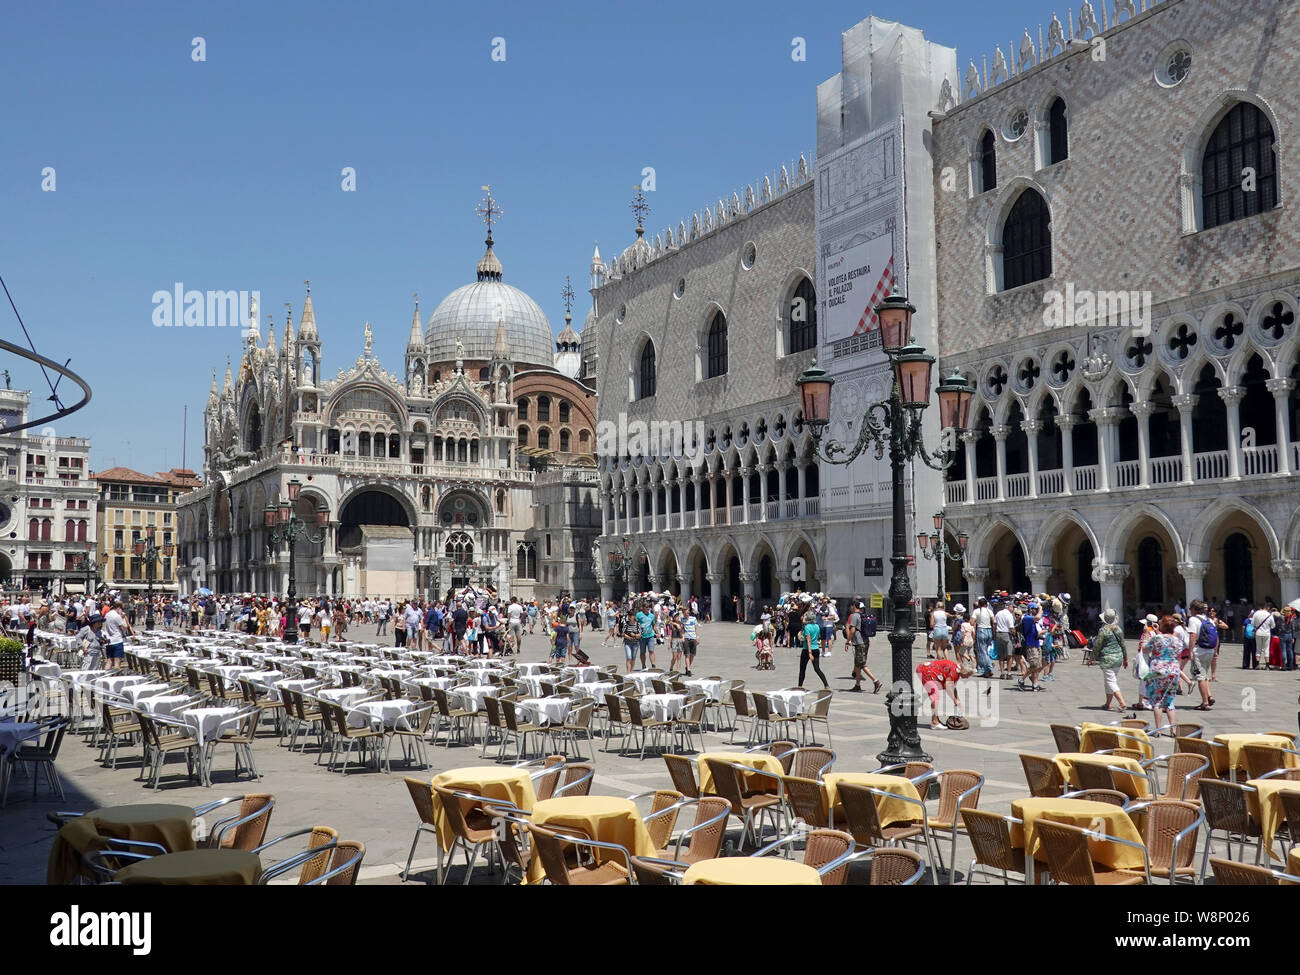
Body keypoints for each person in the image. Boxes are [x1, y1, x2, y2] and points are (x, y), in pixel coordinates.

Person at [1143, 615, 1192, 735]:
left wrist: (1146, 635)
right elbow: (1176, 650)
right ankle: (1173, 729)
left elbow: (1145, 649)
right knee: (1170, 701)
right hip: (1173, 670)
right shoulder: (1177, 640)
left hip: (1158, 669)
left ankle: (1158, 729)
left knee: (1157, 700)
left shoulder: (1157, 638)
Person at [1089, 608, 1129, 711]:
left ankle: (1122, 702)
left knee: (1110, 681)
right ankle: (1108, 703)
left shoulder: (1103, 631)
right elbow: (1123, 645)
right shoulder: (1119, 630)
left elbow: (1098, 645)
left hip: (1107, 659)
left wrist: (1092, 656)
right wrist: (1125, 658)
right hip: (1118, 658)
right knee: (1109, 681)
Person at [845, 599, 882, 693]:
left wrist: (848, 641)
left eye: (850, 606)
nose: (850, 608)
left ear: (853, 606)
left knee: (861, 664)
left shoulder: (854, 616)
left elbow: (852, 630)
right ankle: (857, 685)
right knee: (857, 665)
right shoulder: (862, 615)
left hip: (859, 643)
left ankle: (876, 681)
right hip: (865, 641)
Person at [1186, 600, 1217, 711]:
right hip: (1210, 650)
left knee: (1200, 677)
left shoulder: (1193, 620)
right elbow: (1216, 636)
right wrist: (1215, 650)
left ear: (1194, 609)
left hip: (1199, 650)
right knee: (1204, 674)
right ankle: (1209, 696)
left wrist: (1190, 651)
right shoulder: (1209, 620)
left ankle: (1205, 703)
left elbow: (1193, 636)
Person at [917, 658, 963, 729]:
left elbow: (953, 686)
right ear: (965, 672)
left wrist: (957, 700)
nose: (968, 677)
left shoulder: (957, 670)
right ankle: (934, 722)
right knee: (935, 696)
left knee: (935, 695)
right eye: (969, 674)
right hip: (926, 671)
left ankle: (936, 720)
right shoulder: (955, 671)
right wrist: (954, 699)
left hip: (927, 670)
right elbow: (947, 686)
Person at [799, 608, 830, 690]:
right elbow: (817, 637)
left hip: (807, 650)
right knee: (817, 669)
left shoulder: (807, 627)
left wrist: (809, 653)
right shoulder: (817, 626)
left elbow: (808, 640)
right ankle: (826, 685)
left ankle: (800, 686)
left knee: (802, 669)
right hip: (816, 649)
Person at [1018, 602, 1045, 692]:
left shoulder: (1034, 620)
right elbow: (1037, 617)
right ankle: (1021, 679)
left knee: (1038, 666)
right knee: (1034, 665)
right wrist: (1040, 608)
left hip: (1037, 644)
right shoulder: (1027, 618)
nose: (1037, 611)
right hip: (1030, 645)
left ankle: (1035, 684)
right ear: (1030, 609)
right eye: (1035, 609)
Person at [971, 597, 995, 679]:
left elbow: (971, 622)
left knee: (982, 651)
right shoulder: (990, 611)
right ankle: (986, 671)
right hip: (989, 630)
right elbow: (993, 621)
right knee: (986, 651)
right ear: (986, 604)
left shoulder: (976, 611)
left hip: (981, 630)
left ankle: (989, 667)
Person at [994, 598, 1017, 680]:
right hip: (1006, 634)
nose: (1013, 609)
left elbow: (995, 624)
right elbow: (1011, 628)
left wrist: (994, 635)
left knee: (1001, 655)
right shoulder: (1009, 615)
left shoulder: (998, 613)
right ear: (1008, 607)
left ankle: (1002, 673)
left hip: (998, 634)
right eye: (1013, 607)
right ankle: (1009, 673)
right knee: (1009, 655)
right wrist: (1015, 636)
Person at [1247, 602, 1274, 669]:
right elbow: (1273, 626)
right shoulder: (1269, 614)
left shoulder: (1256, 613)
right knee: (1266, 649)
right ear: (1267, 608)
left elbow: (1252, 623)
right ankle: (1267, 665)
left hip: (1258, 633)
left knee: (1258, 649)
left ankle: (1257, 664)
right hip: (1267, 633)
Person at [635, 600, 657, 670]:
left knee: (651, 651)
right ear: (643, 607)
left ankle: (653, 665)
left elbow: (653, 625)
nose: (648, 608)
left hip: (650, 636)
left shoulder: (652, 616)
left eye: (649, 607)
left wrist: (657, 633)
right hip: (642, 636)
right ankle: (643, 665)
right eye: (647, 607)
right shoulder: (639, 615)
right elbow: (636, 624)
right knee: (642, 652)